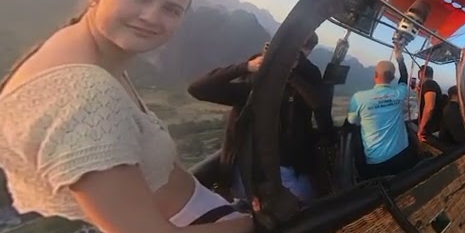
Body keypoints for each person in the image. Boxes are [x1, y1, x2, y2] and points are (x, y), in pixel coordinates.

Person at [0, 0, 253, 233]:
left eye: (171, 9)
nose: (152, 17)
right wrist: (254, 221)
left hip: (197, 220)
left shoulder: (87, 55)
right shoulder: (83, 96)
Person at [187, 32, 333, 204]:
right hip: (250, 172)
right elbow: (197, 89)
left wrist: (291, 74)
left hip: (285, 167)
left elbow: (319, 105)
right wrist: (246, 67)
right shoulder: (250, 91)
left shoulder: (305, 79)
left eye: (306, 47)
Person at [346, 45, 418, 179]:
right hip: (403, 155)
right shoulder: (398, 93)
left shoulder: (359, 97)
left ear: (375, 75)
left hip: (376, 161)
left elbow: (352, 122)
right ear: (392, 78)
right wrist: (399, 57)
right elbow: (404, 77)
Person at [415, 65, 444, 143]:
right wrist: (418, 92)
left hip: (430, 127)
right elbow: (423, 103)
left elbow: (429, 107)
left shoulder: (429, 84)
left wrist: (421, 127)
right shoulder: (430, 84)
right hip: (431, 125)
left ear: (421, 73)